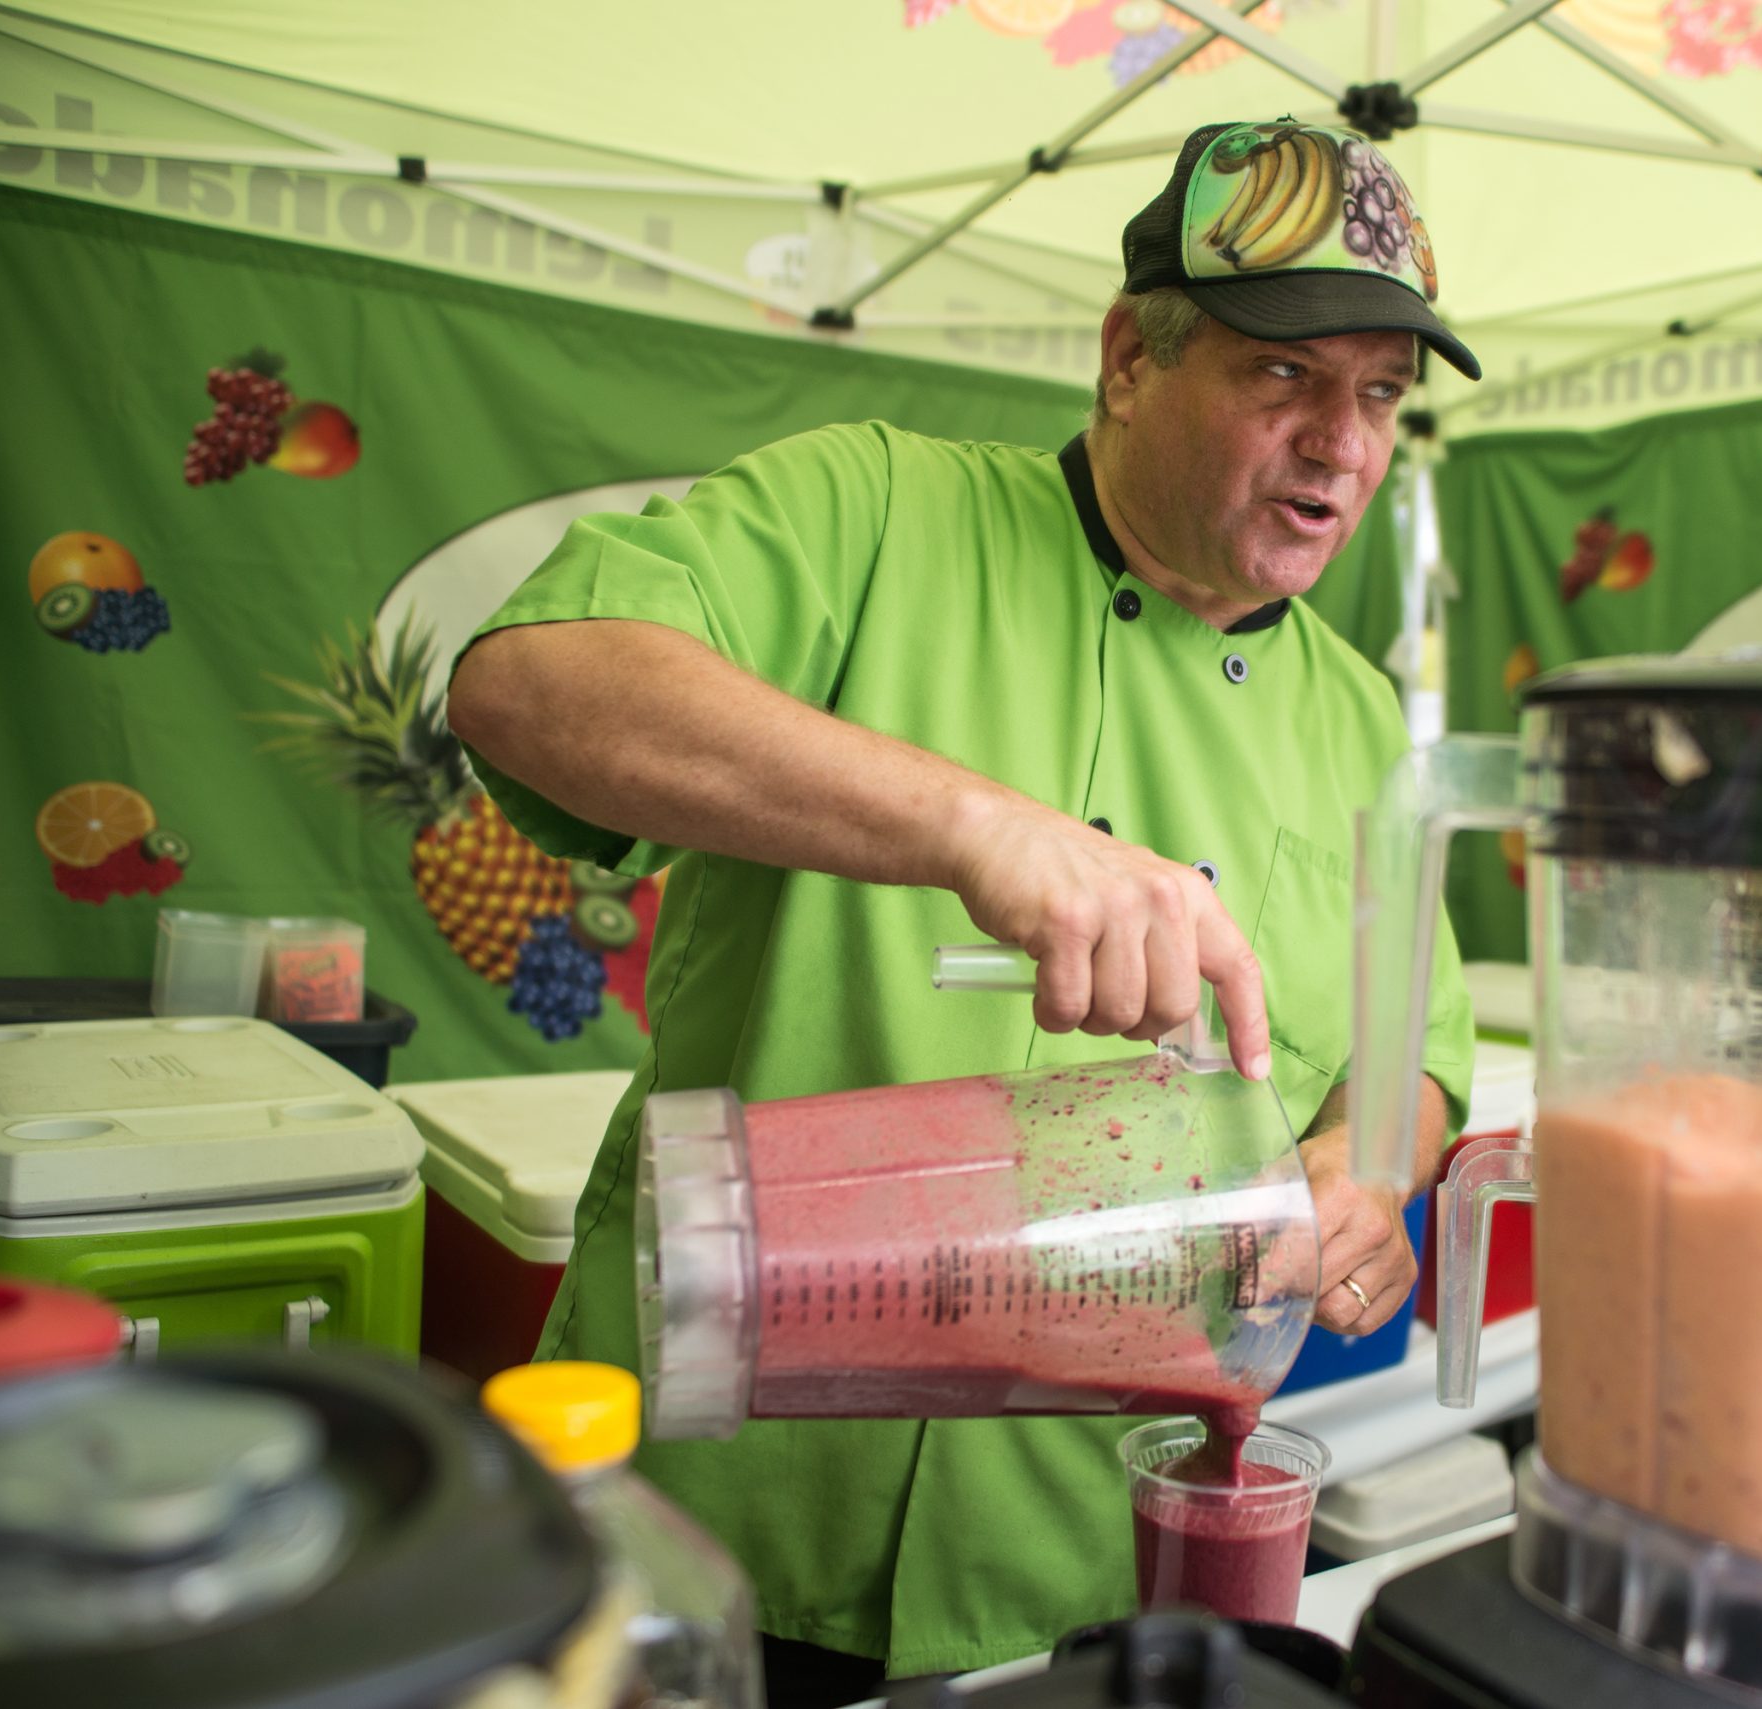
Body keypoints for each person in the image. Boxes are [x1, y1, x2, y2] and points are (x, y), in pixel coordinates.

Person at [444, 117, 1481, 1706]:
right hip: (711, 1512)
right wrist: (974, 823)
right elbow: (530, 681)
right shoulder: (871, 509)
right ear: (1133, 354)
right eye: (1286, 376)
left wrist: (1363, 1172)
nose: (1343, 443)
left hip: (1073, 1560)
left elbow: (1419, 1051)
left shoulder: (1360, 727)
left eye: (1381, 397)